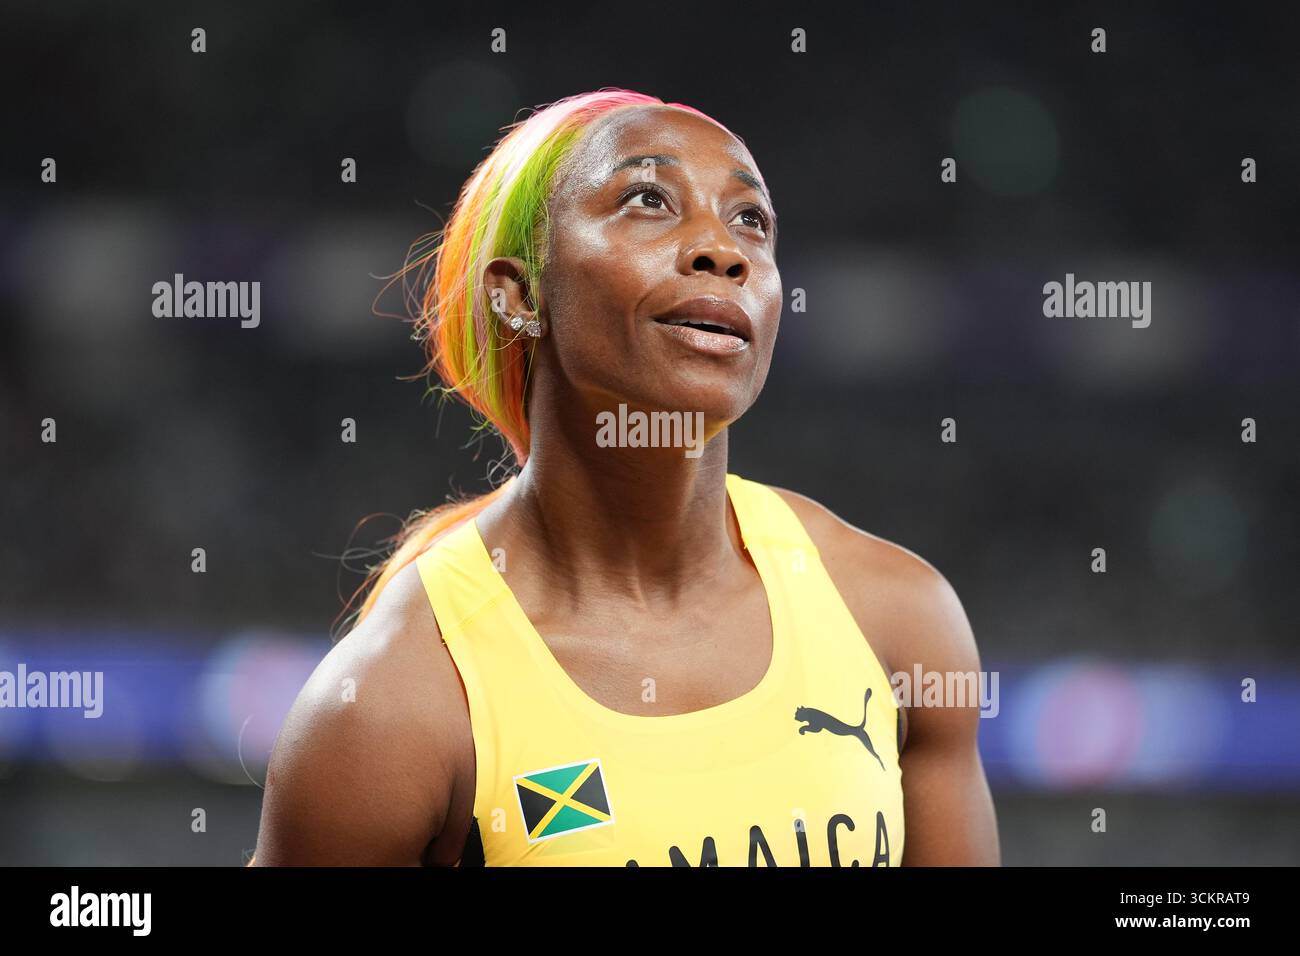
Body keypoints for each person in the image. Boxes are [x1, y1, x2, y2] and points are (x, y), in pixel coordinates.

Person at [250, 88, 999, 866]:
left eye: (752, 220)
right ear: (519, 296)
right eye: (648, 199)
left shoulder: (897, 618)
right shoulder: (394, 705)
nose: (723, 249)